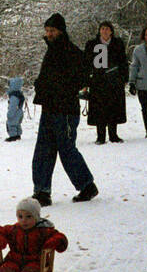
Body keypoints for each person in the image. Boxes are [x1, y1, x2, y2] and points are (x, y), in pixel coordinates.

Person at [31, 14, 97, 204]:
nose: (48, 34)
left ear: (61, 31)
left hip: (66, 109)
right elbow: (47, 77)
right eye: (47, 30)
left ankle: (87, 185)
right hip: (49, 107)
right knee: (44, 149)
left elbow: (83, 77)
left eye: (52, 30)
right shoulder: (51, 51)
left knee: (66, 149)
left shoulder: (72, 51)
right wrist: (40, 85)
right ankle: (42, 192)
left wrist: (59, 88)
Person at [0, 197, 68, 272]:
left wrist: (53, 242)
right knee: (8, 268)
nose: (24, 220)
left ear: (36, 217)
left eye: (28, 217)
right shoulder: (14, 229)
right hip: (14, 260)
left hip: (35, 261)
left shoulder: (43, 230)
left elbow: (60, 237)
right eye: (20, 217)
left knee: (31, 271)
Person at [83, 21, 128, 144]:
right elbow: (86, 63)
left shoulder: (117, 44)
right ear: (99, 31)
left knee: (114, 107)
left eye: (107, 29)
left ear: (111, 31)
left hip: (114, 81)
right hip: (98, 81)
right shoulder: (92, 44)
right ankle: (100, 136)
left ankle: (113, 135)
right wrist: (86, 82)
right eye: (102, 29)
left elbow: (123, 61)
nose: (105, 31)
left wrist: (124, 78)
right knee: (99, 108)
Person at [5, 77, 26, 141]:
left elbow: (12, 106)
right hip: (19, 111)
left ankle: (13, 136)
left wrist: (9, 114)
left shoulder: (14, 96)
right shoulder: (19, 94)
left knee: (11, 123)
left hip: (15, 112)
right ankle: (18, 134)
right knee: (17, 124)